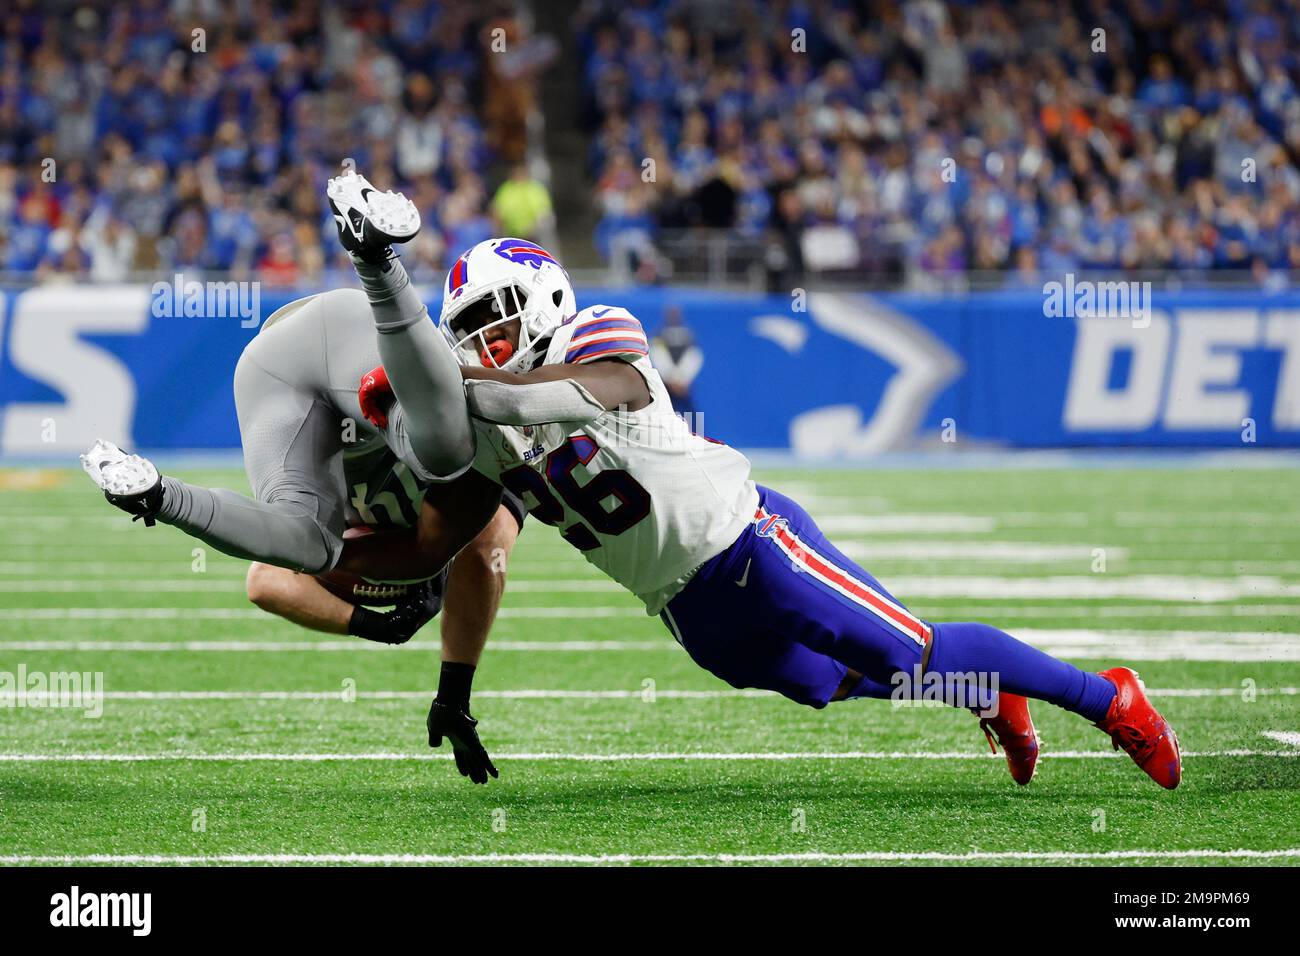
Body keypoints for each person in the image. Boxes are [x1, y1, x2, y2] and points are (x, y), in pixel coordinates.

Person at [331, 171, 1183, 790]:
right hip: (687, 610)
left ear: (542, 297)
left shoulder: (595, 332)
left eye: (491, 318)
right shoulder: (490, 431)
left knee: (910, 650)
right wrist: (352, 541)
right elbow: (460, 545)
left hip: (752, 543)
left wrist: (451, 387)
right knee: (854, 680)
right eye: (465, 333)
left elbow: (591, 392)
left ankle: (1109, 700)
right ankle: (990, 699)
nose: (480, 342)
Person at [81, 262, 523, 784]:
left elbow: (264, 580)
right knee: (444, 454)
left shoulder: (370, 545)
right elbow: (477, 550)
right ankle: (379, 263)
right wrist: (452, 693)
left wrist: (376, 625)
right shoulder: (469, 514)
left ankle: (160, 495)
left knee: (309, 540)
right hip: (355, 348)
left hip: (280, 370)